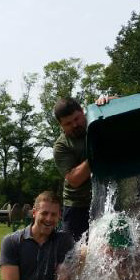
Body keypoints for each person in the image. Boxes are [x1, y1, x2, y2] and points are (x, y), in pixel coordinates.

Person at [52, 97, 92, 241]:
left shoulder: (96, 119)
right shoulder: (61, 146)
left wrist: (109, 99)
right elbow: (74, 179)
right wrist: (96, 155)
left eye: (77, 118)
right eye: (68, 123)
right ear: (61, 125)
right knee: (72, 255)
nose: (75, 125)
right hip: (77, 207)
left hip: (106, 200)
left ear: (83, 111)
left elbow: (122, 105)